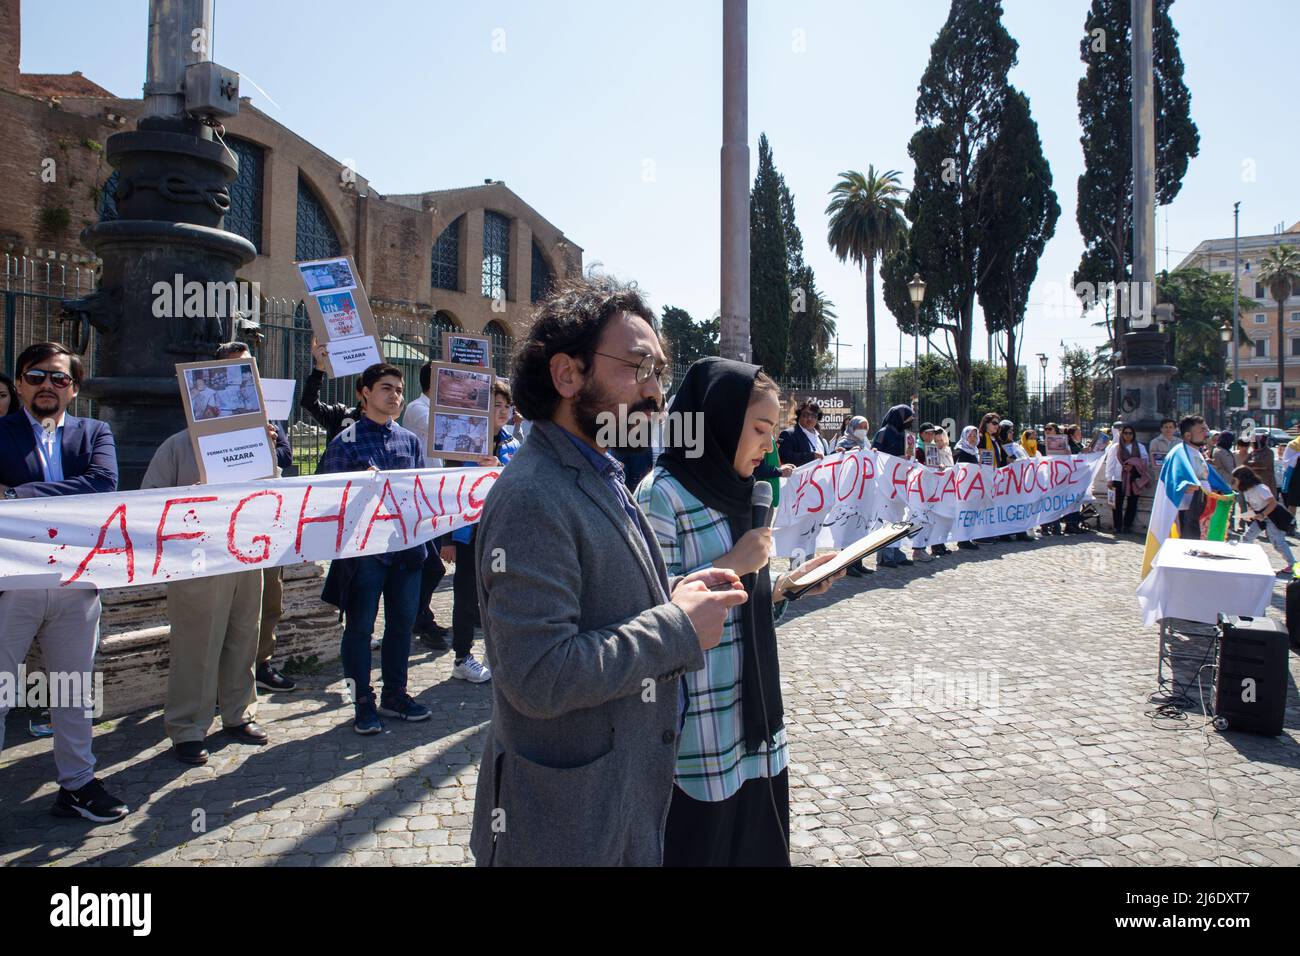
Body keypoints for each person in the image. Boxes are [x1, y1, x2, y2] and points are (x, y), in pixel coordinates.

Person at [468, 275, 747, 866]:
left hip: (617, 811)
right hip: (563, 828)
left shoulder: (601, 470)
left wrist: (675, 595)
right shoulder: (533, 498)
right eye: (638, 367)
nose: (656, 392)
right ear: (568, 375)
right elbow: (538, 675)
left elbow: (600, 605)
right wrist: (675, 626)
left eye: (660, 373)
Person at [639, 358, 845, 866]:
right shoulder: (660, 495)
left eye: (773, 432)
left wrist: (782, 589)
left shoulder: (740, 490)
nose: (768, 446)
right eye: (758, 429)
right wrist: (735, 562)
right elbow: (648, 614)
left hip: (752, 714)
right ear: (718, 422)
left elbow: (741, 600)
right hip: (698, 726)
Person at [0, 342, 127, 822]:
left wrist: (16, 492)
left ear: (73, 388)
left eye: (58, 378)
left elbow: (102, 484)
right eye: (36, 376)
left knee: (73, 688)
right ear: (19, 384)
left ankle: (76, 784)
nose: (47, 386)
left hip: (77, 578)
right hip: (14, 579)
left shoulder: (94, 431)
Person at [141, 421, 279, 764]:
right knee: (196, 645)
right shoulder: (176, 446)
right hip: (197, 560)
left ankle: (239, 713)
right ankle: (187, 728)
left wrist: (269, 452)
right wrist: (191, 497)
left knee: (244, 635)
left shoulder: (257, 444)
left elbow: (274, 493)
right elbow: (149, 499)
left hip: (246, 554)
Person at [318, 363, 432, 734]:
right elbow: (325, 497)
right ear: (363, 393)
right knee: (360, 629)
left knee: (401, 625)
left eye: (399, 389)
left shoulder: (410, 442)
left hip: (406, 552)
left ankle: (395, 695)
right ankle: (362, 702)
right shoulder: (344, 443)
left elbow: (419, 494)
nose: (395, 395)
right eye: (386, 388)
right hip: (364, 555)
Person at [212, 341, 297, 692]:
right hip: (221, 522)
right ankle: (220, 675)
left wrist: (272, 441)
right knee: (223, 603)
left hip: (264, 518)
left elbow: (288, 457)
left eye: (248, 368)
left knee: (269, 595)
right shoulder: (207, 410)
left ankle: (261, 662)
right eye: (234, 369)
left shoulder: (267, 411)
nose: (243, 375)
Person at [439, 380, 518, 683]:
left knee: (498, 593)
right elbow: (451, 491)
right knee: (466, 595)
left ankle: (494, 651)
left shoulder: (513, 443)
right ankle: (462, 656)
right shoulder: (465, 443)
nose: (501, 412)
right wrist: (448, 539)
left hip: (502, 533)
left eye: (505, 406)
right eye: (494, 406)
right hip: (469, 535)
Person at [401, 360, 450, 649]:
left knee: (430, 566)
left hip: (436, 496)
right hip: (420, 498)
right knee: (432, 567)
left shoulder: (431, 409)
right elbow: (445, 429)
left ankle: (422, 615)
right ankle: (416, 616)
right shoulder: (418, 410)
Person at [1233, 465, 1297, 577]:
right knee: (1248, 536)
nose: (1234, 482)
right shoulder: (1246, 491)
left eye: (1236, 480)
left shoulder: (1260, 488)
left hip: (1274, 516)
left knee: (1278, 542)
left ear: (1243, 479)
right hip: (1260, 516)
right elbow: (1254, 505)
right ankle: (1242, 558)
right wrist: (1250, 514)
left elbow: (1272, 503)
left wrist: (1263, 514)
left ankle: (1293, 565)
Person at [872, 404, 916, 567]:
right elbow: (876, 454)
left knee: (898, 517)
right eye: (907, 419)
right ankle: (885, 556)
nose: (909, 422)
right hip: (886, 483)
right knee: (886, 518)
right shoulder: (884, 433)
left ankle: (896, 551)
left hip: (900, 481)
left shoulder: (905, 434)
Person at [834, 415, 874, 576]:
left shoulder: (866, 443)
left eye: (865, 427)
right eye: (860, 427)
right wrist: (845, 453)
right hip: (849, 492)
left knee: (861, 528)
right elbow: (837, 460)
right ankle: (847, 564)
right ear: (852, 427)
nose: (863, 430)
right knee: (849, 528)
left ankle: (858, 562)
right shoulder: (843, 442)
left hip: (863, 492)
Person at [302, 338, 363, 442]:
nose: (392, 395)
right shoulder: (340, 415)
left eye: (398, 390)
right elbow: (309, 403)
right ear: (360, 393)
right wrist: (320, 367)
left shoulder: (391, 430)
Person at [1106, 424, 1150, 534]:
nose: (1128, 435)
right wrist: (1109, 478)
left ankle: (1127, 525)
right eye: (1125, 433)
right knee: (1117, 504)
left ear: (1133, 435)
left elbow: (1144, 462)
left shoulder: (1140, 447)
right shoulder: (1115, 447)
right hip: (1118, 478)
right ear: (1122, 434)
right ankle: (1117, 526)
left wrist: (1134, 466)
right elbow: (1110, 464)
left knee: (1133, 503)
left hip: (1134, 478)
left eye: (1130, 433)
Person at [1175, 415, 1212, 540]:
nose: (1206, 434)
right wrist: (1183, 486)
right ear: (1188, 436)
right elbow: (1173, 478)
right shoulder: (1180, 453)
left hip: (1200, 507)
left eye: (1205, 429)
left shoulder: (1197, 452)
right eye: (1201, 430)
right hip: (1186, 509)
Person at [951, 425, 982, 550]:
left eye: (975, 436)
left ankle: (966, 537)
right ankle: (962, 539)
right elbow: (954, 468)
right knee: (962, 512)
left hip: (972, 489)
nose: (973, 439)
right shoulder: (959, 451)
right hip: (962, 489)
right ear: (964, 436)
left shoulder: (975, 451)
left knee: (970, 512)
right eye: (970, 436)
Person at [777, 400, 826, 467]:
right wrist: (811, 456)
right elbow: (785, 457)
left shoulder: (818, 435)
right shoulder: (788, 434)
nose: (809, 419)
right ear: (799, 415)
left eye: (814, 415)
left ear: (818, 418)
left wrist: (836, 453)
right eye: (806, 415)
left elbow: (824, 458)